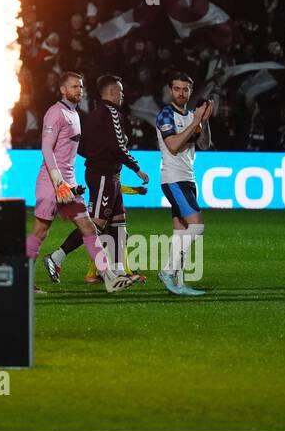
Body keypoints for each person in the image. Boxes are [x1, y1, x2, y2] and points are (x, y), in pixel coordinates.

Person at [26, 71, 132, 294]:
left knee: (89, 228)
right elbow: (46, 148)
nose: (79, 90)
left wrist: (70, 183)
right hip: (51, 183)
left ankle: (109, 278)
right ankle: (22, 280)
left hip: (69, 186)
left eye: (81, 87)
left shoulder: (74, 114)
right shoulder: (55, 113)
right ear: (63, 90)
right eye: (74, 86)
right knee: (40, 232)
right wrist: (58, 181)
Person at [46, 74, 148, 285]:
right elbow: (119, 146)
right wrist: (137, 169)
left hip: (103, 174)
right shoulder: (113, 114)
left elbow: (82, 147)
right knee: (96, 224)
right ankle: (57, 256)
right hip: (104, 175)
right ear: (111, 92)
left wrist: (96, 156)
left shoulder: (90, 116)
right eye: (120, 91)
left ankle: (120, 271)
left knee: (119, 222)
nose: (122, 95)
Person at [155, 72, 211, 297]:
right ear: (171, 91)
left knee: (181, 232)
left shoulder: (191, 117)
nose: (181, 93)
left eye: (185, 89)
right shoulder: (165, 115)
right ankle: (167, 271)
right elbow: (174, 146)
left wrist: (204, 122)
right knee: (197, 226)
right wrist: (196, 121)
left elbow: (204, 144)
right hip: (173, 178)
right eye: (177, 89)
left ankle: (178, 283)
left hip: (188, 178)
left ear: (190, 91)